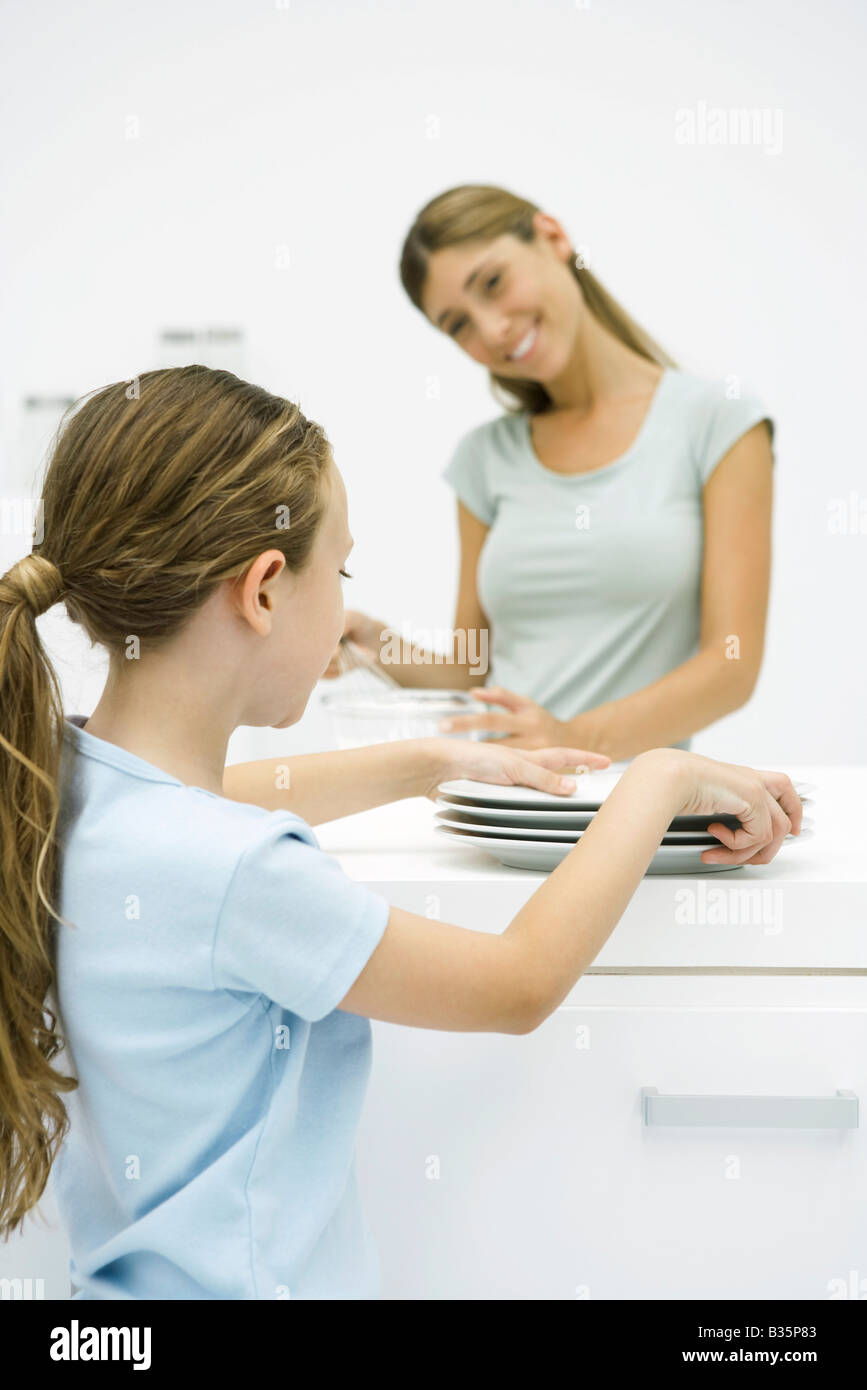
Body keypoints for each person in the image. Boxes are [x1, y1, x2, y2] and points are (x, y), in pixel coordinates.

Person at [0, 366, 800, 1300]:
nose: (343, 603)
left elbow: (211, 804)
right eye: (338, 572)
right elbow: (518, 983)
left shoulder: (57, 778)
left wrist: (424, 763)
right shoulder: (240, 875)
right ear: (263, 590)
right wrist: (659, 776)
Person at [326, 184, 774, 760]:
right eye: (458, 324)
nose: (491, 330)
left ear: (554, 238)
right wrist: (376, 643)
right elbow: (473, 667)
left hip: (639, 809)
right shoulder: (486, 458)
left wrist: (573, 739)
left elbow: (730, 667)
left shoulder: (719, 423)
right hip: (500, 804)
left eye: (492, 283)